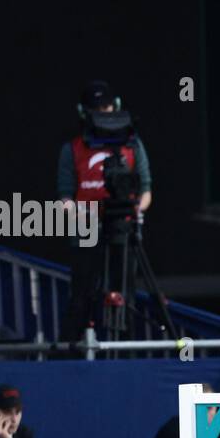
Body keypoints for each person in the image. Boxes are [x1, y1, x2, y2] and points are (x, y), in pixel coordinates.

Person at [57, 80, 153, 343]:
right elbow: (64, 196)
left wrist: (135, 210)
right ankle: (72, 354)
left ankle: (126, 351)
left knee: (125, 295)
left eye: (107, 106)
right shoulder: (72, 149)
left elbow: (145, 190)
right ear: (84, 111)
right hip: (86, 233)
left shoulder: (133, 145)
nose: (103, 112)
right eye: (97, 108)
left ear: (116, 106)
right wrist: (81, 215)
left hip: (124, 229)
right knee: (83, 296)